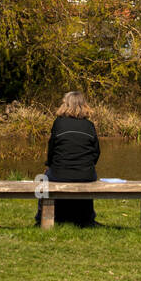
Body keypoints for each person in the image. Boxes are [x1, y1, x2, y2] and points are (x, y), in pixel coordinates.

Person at [35, 91, 101, 227]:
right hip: (86, 174)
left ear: (65, 104)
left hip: (60, 173)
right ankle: (87, 217)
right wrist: (87, 165)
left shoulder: (58, 123)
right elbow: (96, 152)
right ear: (84, 105)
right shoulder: (89, 125)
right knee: (88, 177)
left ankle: (41, 216)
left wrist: (49, 165)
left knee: (43, 178)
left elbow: (52, 150)